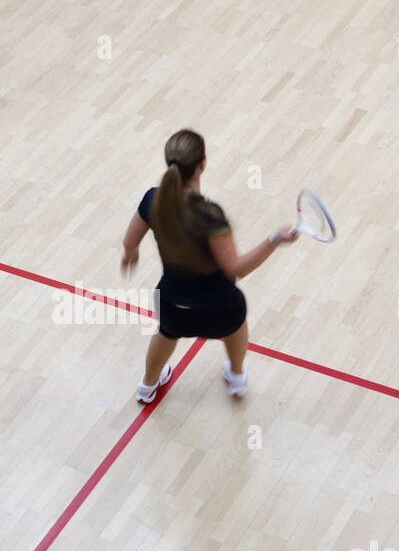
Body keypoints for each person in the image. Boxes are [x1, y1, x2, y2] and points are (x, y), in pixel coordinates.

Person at [120, 129, 297, 402]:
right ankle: (236, 377)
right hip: (220, 310)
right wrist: (274, 240)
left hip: (172, 305)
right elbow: (236, 269)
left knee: (166, 333)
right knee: (236, 327)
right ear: (203, 164)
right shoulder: (210, 216)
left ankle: (147, 386)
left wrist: (130, 254)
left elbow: (130, 241)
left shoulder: (152, 200)